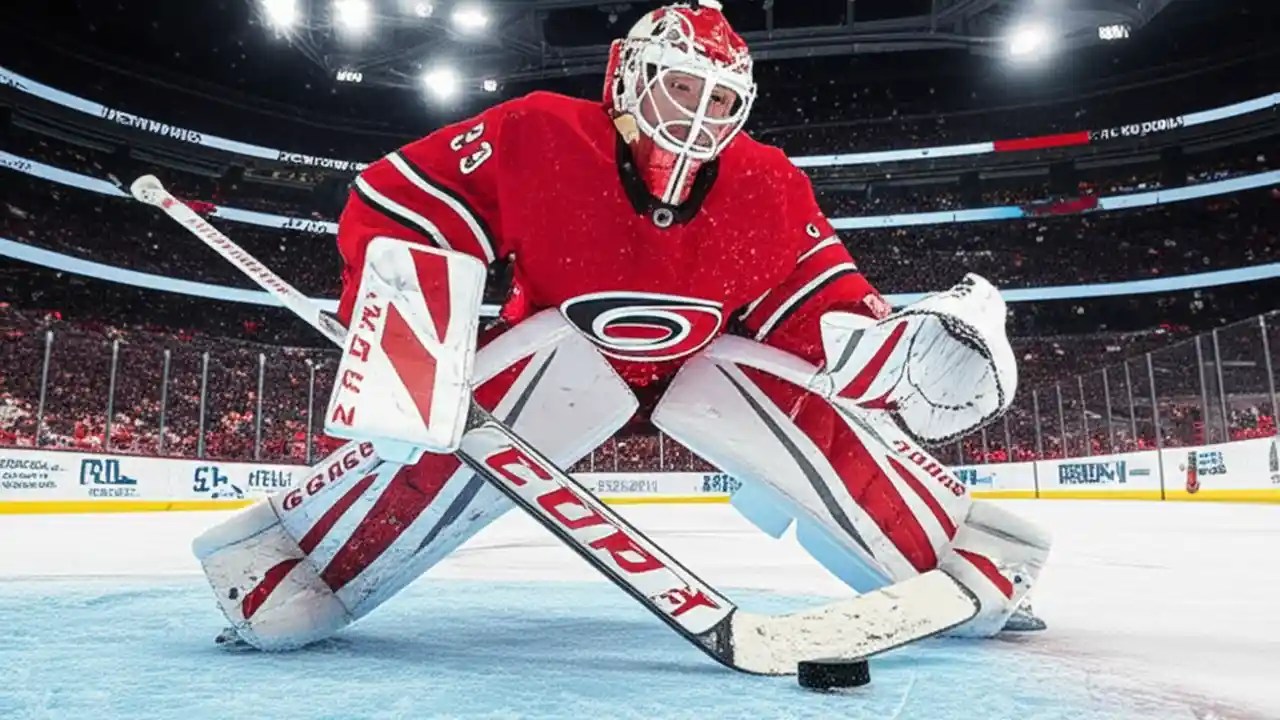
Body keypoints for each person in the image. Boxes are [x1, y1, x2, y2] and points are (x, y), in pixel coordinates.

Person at [193, 0, 1049, 652]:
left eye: (720, 100)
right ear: (626, 76)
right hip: (559, 355)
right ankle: (289, 559)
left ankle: (955, 553)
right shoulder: (536, 134)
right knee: (480, 405)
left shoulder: (768, 184)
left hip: (698, 364)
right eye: (682, 86)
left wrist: (895, 351)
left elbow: (810, 300)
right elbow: (406, 200)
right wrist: (413, 328)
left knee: (775, 391)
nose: (699, 114)